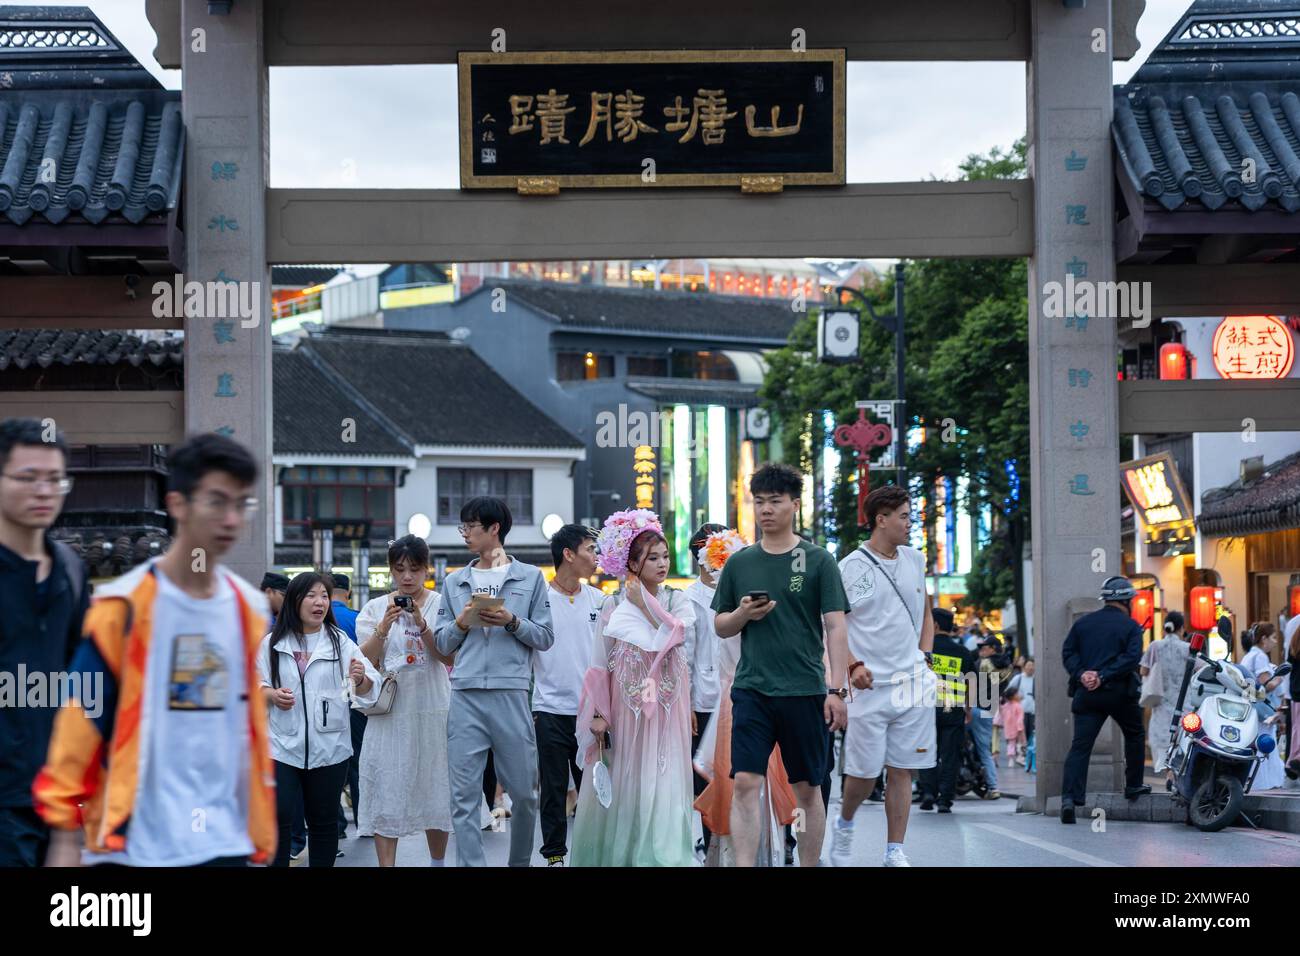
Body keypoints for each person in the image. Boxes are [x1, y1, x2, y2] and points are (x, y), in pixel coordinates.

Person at [37, 433, 276, 867]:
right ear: (178, 504)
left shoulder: (248, 609)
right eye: (217, 501)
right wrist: (64, 830)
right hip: (138, 842)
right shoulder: (124, 607)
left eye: (242, 504)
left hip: (224, 839)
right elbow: (82, 720)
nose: (230, 518)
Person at [712, 463, 850, 869]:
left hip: (806, 689)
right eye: (759, 502)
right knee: (745, 783)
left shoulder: (818, 560)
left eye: (775, 501)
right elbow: (721, 625)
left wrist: (836, 690)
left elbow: (836, 627)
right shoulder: (740, 563)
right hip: (752, 688)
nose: (766, 509)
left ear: (794, 503)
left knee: (808, 790)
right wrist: (743, 614)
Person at [570, 511, 697, 866]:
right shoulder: (611, 604)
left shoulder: (676, 600)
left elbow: (675, 634)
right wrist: (598, 714)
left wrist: (644, 603)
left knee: (665, 780)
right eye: (652, 557)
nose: (661, 563)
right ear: (632, 562)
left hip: (667, 710)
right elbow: (599, 664)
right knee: (628, 782)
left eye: (664, 556)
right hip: (625, 713)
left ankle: (664, 856)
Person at [435, 496, 553, 867]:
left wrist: (512, 622)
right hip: (466, 694)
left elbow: (546, 637)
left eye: (471, 526)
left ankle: (519, 862)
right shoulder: (455, 582)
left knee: (524, 793)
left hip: (511, 693)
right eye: (464, 527)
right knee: (464, 795)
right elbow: (440, 643)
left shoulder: (531, 578)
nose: (465, 534)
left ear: (494, 529)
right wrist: (461, 622)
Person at [830, 484, 935, 868]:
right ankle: (844, 823)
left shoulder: (916, 559)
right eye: (904, 516)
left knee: (902, 768)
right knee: (863, 773)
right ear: (881, 519)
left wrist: (924, 657)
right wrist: (853, 665)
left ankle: (895, 850)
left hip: (912, 683)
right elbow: (834, 624)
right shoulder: (849, 567)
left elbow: (925, 612)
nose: (910, 523)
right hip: (870, 687)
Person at [0, 419, 88, 866]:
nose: (43, 491)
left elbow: (79, 688)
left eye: (55, 480)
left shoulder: (70, 570)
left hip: (50, 797)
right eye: (28, 478)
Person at [259, 571, 381, 867]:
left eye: (324, 595)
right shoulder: (272, 643)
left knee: (324, 823)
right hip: (281, 746)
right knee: (279, 818)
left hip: (330, 748)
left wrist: (361, 678)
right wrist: (271, 694)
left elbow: (369, 688)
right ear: (295, 601)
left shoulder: (341, 643)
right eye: (311, 595)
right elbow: (253, 685)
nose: (319, 602)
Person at [356, 535, 455, 866]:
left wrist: (421, 624)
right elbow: (364, 661)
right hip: (392, 712)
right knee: (388, 784)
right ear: (391, 571)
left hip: (434, 707)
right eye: (400, 570)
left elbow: (446, 655)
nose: (407, 577)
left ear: (427, 569)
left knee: (435, 786)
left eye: (415, 569)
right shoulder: (374, 608)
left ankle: (437, 862)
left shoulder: (441, 603)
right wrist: (384, 627)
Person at [534, 523, 602, 866]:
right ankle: (554, 855)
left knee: (594, 789)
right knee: (554, 789)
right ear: (568, 554)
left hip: (593, 713)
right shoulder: (540, 602)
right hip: (549, 709)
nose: (595, 556)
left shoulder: (600, 601)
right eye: (590, 549)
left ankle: (594, 853)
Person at [1060, 576, 1150, 824]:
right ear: (1127, 601)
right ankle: (1133, 785)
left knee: (1080, 746)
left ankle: (1069, 799)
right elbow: (1132, 658)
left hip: (1087, 694)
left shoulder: (1084, 624)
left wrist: (1083, 674)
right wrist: (1104, 675)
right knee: (1134, 734)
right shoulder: (1131, 627)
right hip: (1120, 693)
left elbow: (1068, 653)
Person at [684, 521, 725, 857]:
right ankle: (710, 837)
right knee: (704, 772)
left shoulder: (738, 591)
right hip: (703, 700)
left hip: (738, 695)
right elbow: (685, 657)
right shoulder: (690, 598)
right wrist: (687, 704)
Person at [918, 607, 976, 813]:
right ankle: (945, 800)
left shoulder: (923, 652)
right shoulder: (963, 652)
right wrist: (968, 709)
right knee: (951, 756)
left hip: (926, 711)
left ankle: (927, 793)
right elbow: (972, 684)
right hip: (953, 711)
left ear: (934, 625)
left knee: (926, 752)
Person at [330, 573, 362, 838]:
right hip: (355, 697)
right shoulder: (358, 618)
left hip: (326, 701)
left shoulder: (315, 618)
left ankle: (336, 824)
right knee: (358, 760)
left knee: (330, 758)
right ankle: (364, 820)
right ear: (348, 593)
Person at [1139, 611, 1190, 781]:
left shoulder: (1155, 646)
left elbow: (1144, 670)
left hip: (1161, 702)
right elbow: (1201, 668)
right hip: (1184, 702)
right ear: (1181, 629)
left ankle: (1168, 772)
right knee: (1182, 737)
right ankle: (1176, 772)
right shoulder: (1187, 648)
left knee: (1162, 738)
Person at [969, 636, 1006, 800]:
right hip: (989, 709)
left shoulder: (982, 664)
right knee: (985, 750)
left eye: (984, 647)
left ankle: (991, 785)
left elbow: (971, 684)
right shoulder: (1007, 665)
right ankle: (993, 786)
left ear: (993, 648)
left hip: (976, 707)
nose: (981, 649)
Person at [1005, 656, 1036, 751]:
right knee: (1021, 734)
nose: (1031, 668)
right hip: (1019, 713)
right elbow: (1007, 692)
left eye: (1033, 666)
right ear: (1024, 666)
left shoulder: (1036, 679)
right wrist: (1016, 697)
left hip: (1033, 711)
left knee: (1031, 734)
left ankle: (1028, 754)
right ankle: (1021, 753)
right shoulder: (1018, 678)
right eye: (1029, 665)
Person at [999, 689, 1026, 767]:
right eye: (1017, 694)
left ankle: (1011, 760)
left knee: (1011, 744)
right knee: (1021, 743)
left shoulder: (1006, 706)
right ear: (1013, 696)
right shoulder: (1018, 705)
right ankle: (1020, 758)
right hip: (1018, 727)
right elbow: (1020, 717)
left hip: (1009, 728)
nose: (1018, 695)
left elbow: (1001, 712)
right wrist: (1020, 727)